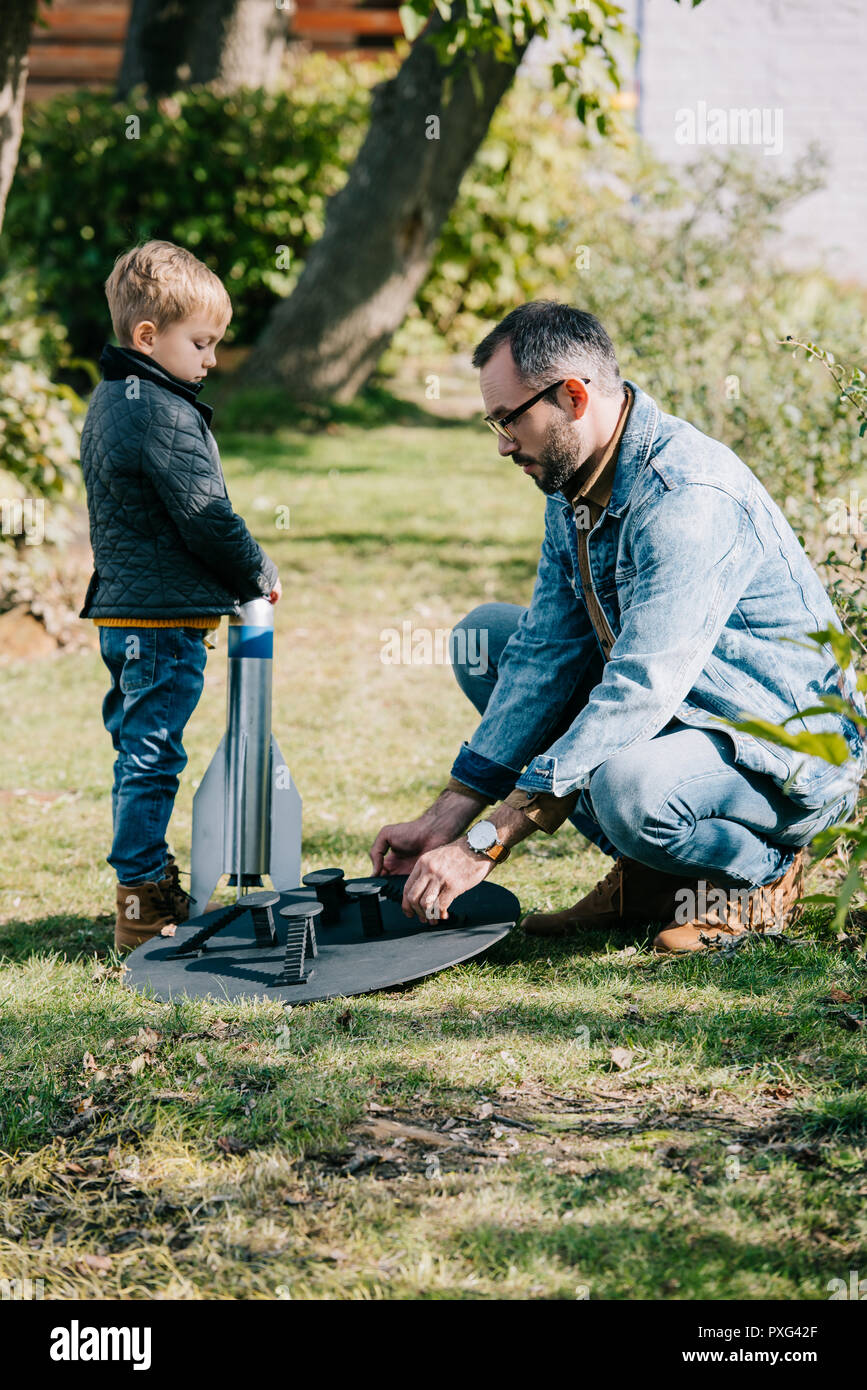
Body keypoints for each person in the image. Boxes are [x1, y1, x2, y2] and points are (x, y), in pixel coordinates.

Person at [371, 302, 866, 953]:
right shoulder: (570, 483)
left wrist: (484, 842)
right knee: (488, 640)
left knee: (626, 787)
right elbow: (545, 652)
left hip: (783, 755)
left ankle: (760, 875)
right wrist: (448, 813)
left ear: (572, 396)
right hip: (688, 717)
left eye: (508, 419)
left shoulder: (685, 498)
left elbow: (639, 687)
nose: (500, 444)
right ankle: (656, 879)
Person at [79, 240, 281, 953]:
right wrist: (256, 568)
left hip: (124, 612)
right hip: (160, 620)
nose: (210, 360)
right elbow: (205, 515)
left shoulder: (110, 399)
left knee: (137, 750)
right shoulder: (159, 410)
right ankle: (141, 899)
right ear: (146, 336)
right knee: (154, 755)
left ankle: (143, 880)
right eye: (200, 343)